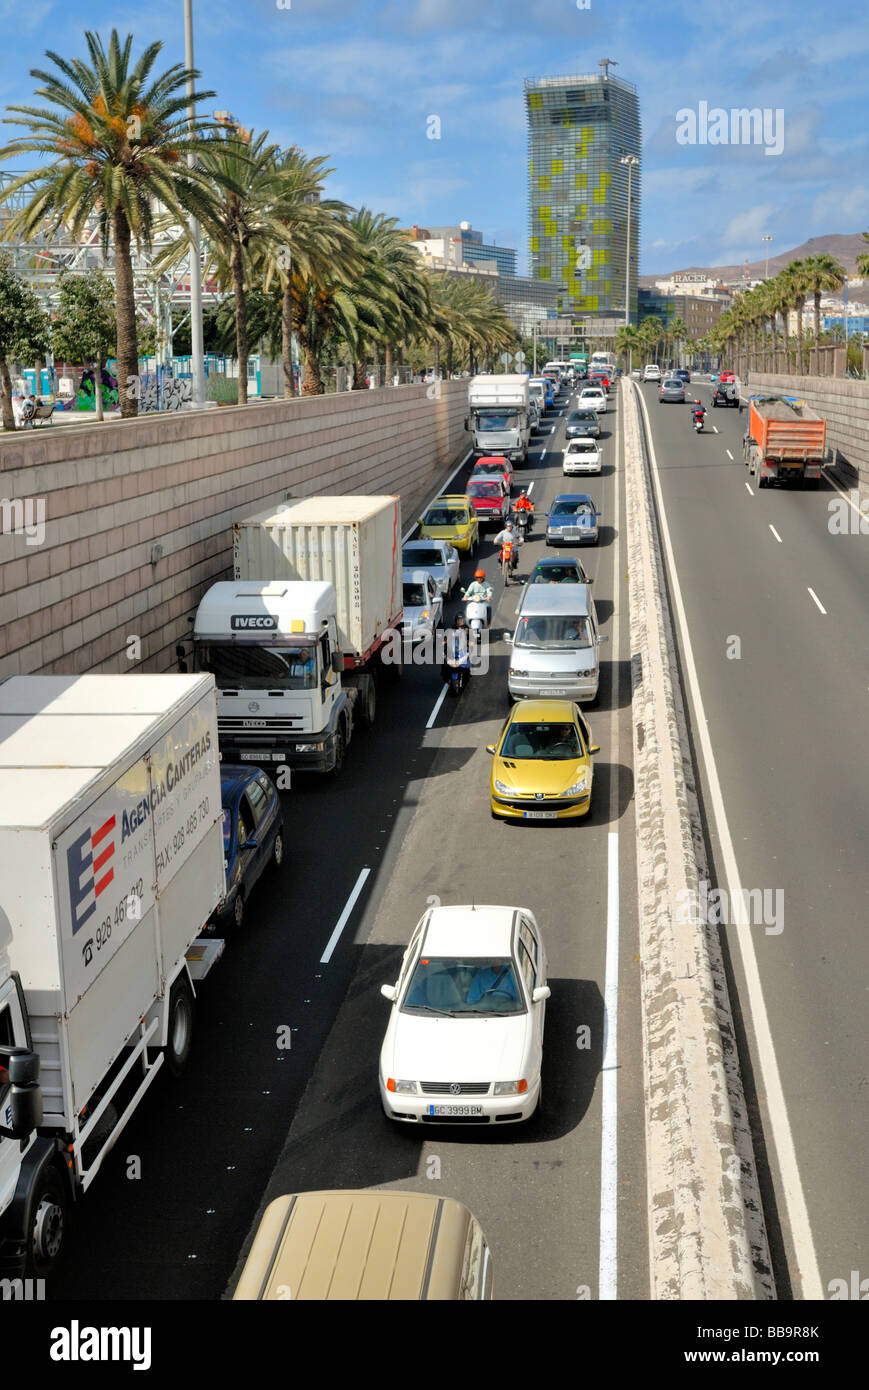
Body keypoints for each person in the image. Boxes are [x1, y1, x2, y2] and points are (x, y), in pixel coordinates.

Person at [442, 612, 471, 691]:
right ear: (456, 620)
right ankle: (445, 676)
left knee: (467, 661)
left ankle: (467, 674)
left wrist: (471, 642)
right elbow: (447, 636)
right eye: (458, 620)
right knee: (444, 660)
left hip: (463, 649)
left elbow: (472, 637)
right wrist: (444, 641)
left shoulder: (467, 628)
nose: (460, 621)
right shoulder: (452, 628)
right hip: (454, 649)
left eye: (461, 620)